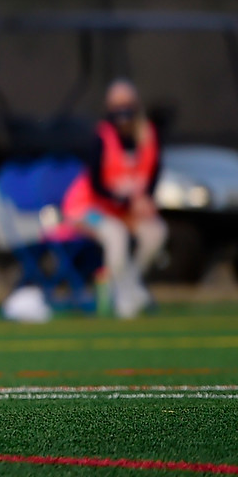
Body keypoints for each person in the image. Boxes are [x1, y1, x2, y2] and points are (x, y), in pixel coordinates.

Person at [63, 78, 166, 318]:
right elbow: (98, 185)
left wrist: (145, 200)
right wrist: (129, 203)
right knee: (115, 235)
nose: (123, 110)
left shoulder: (147, 134)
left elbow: (153, 173)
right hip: (86, 210)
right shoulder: (102, 137)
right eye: (116, 104)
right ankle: (123, 298)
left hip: (121, 209)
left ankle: (131, 285)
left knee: (155, 232)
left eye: (127, 103)